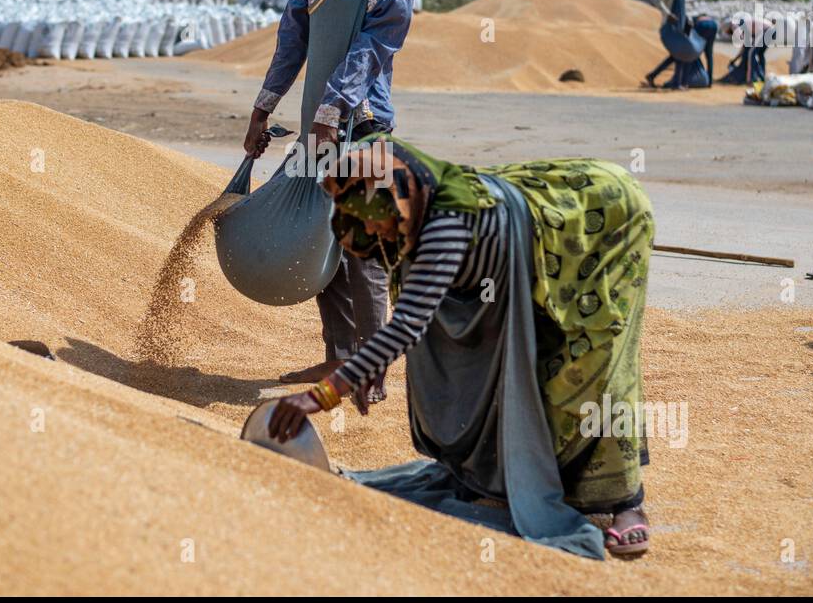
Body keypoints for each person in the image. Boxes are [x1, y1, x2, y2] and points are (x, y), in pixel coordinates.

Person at [269, 135, 655, 558]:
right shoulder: (401, 203)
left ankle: (627, 503)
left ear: (397, 201)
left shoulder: (444, 225)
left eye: (380, 222)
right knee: (526, 364)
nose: (376, 231)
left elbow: (410, 324)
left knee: (594, 361)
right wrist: (373, 361)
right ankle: (531, 475)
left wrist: (321, 395)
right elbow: (408, 290)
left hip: (600, 221)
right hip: (530, 250)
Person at [241, 0, 415, 401]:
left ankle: (371, 371)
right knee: (322, 237)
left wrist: (332, 108)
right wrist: (262, 108)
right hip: (316, 129)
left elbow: (372, 51)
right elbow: (291, 42)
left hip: (363, 127)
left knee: (363, 253)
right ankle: (339, 358)